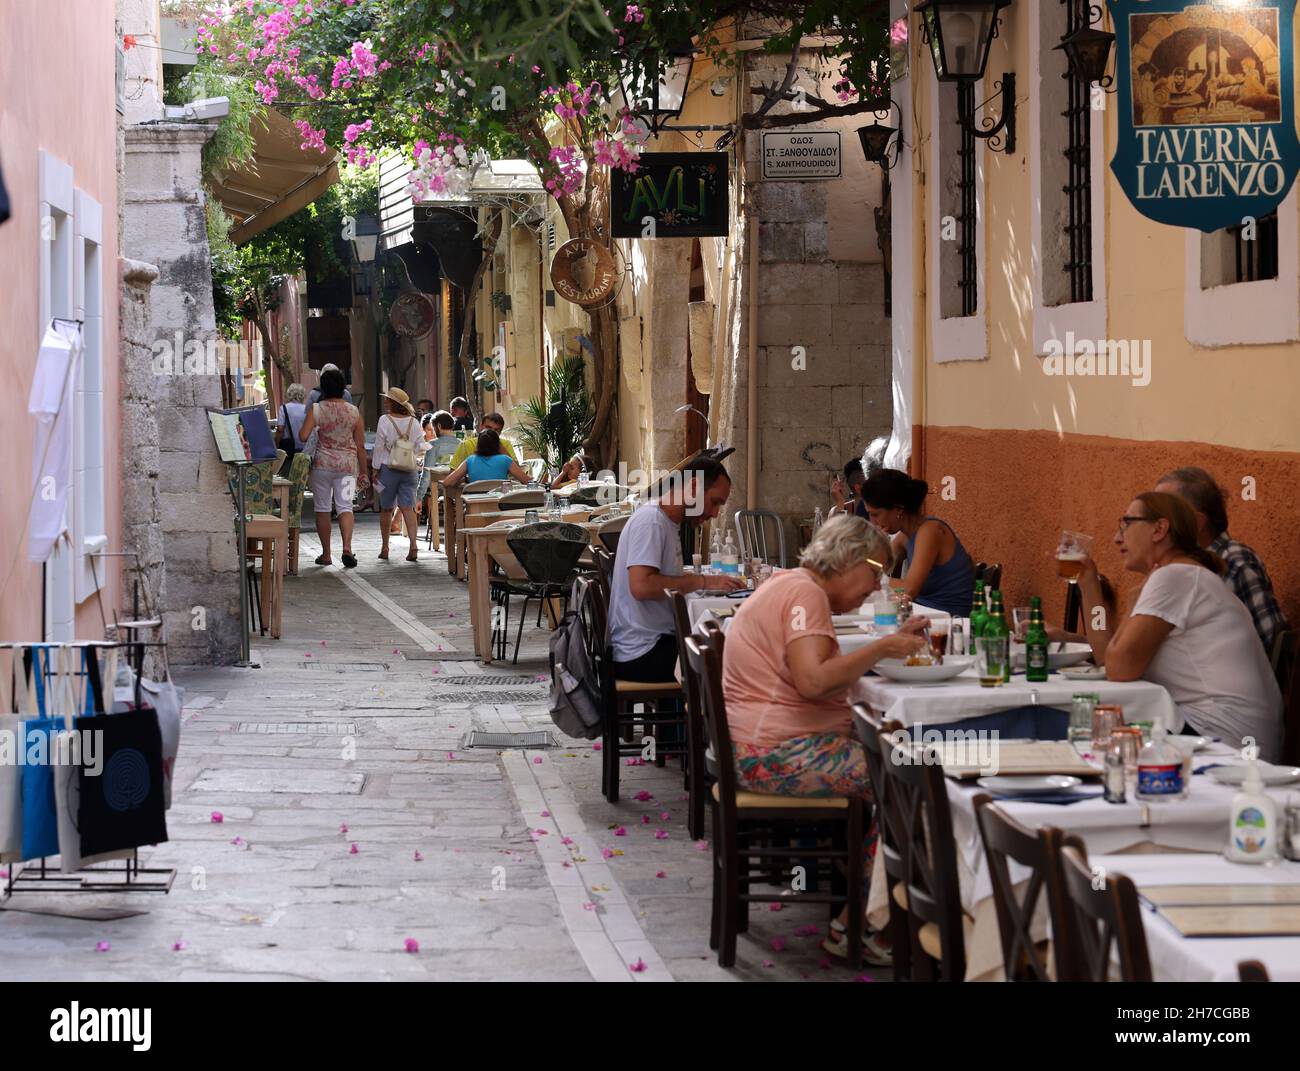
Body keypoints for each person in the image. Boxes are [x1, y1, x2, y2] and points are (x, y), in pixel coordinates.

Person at [722, 514, 927, 964]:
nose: (875, 588)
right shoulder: (804, 593)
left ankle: (877, 914)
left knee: (902, 768)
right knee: (911, 783)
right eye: (873, 575)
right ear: (848, 560)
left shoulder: (793, 586)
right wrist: (881, 648)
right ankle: (867, 925)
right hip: (773, 754)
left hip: (766, 746)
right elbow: (814, 681)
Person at [1075, 492, 1283, 759]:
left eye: (1126, 523)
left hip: (1223, 741)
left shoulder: (1175, 576)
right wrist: (1089, 586)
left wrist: (1133, 601)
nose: (1117, 537)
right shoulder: (1182, 574)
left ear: (1160, 529)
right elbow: (1108, 658)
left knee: (1081, 727)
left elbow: (1118, 668)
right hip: (1232, 735)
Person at [609, 459, 745, 683]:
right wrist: (702, 582)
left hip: (652, 642)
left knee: (726, 649)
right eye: (714, 502)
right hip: (641, 652)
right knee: (730, 659)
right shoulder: (651, 522)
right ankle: (709, 718)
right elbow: (641, 586)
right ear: (693, 488)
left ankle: (702, 717)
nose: (715, 513)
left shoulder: (667, 522)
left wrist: (703, 581)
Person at [1154, 466, 1288, 652]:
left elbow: (1271, 641)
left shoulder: (1233, 560)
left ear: (1197, 522)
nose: (1155, 525)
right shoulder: (1176, 565)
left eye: (1163, 515)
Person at [859, 468, 974, 616]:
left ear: (898, 509)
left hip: (950, 620)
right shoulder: (904, 536)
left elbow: (908, 590)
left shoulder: (930, 531)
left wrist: (873, 575)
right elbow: (879, 566)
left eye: (875, 514)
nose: (873, 522)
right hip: (926, 612)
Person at [298, 367, 366, 568]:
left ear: (322, 388)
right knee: (345, 506)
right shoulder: (354, 412)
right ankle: (346, 548)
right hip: (346, 467)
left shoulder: (316, 409)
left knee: (322, 508)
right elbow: (360, 445)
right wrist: (364, 471)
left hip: (322, 467)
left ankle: (326, 554)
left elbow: (303, 436)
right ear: (343, 387)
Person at [371, 387, 424, 562]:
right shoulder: (414, 423)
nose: (385, 401)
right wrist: (409, 454)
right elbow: (420, 446)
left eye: (387, 399)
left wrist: (375, 468)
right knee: (407, 508)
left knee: (386, 509)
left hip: (388, 468)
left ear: (392, 403)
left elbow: (379, 446)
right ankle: (413, 546)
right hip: (409, 469)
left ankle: (385, 548)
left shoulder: (384, 421)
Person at [442, 429, 532, 489]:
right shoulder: (505, 460)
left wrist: (465, 479)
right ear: (498, 445)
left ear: (478, 445)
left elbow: (446, 483)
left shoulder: (470, 460)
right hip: (500, 504)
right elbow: (528, 482)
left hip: (475, 506)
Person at [448, 412, 520, 471]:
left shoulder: (505, 444)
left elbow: (518, 470)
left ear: (500, 432)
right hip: (472, 487)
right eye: (488, 428)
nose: (491, 432)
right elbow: (453, 471)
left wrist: (502, 449)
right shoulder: (466, 445)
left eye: (496, 430)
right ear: (481, 426)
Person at [276, 383, 308, 470]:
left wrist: (276, 445)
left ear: (289, 394)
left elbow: (280, 429)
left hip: (288, 449)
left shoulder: (284, 408)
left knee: (287, 474)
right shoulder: (307, 409)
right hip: (304, 448)